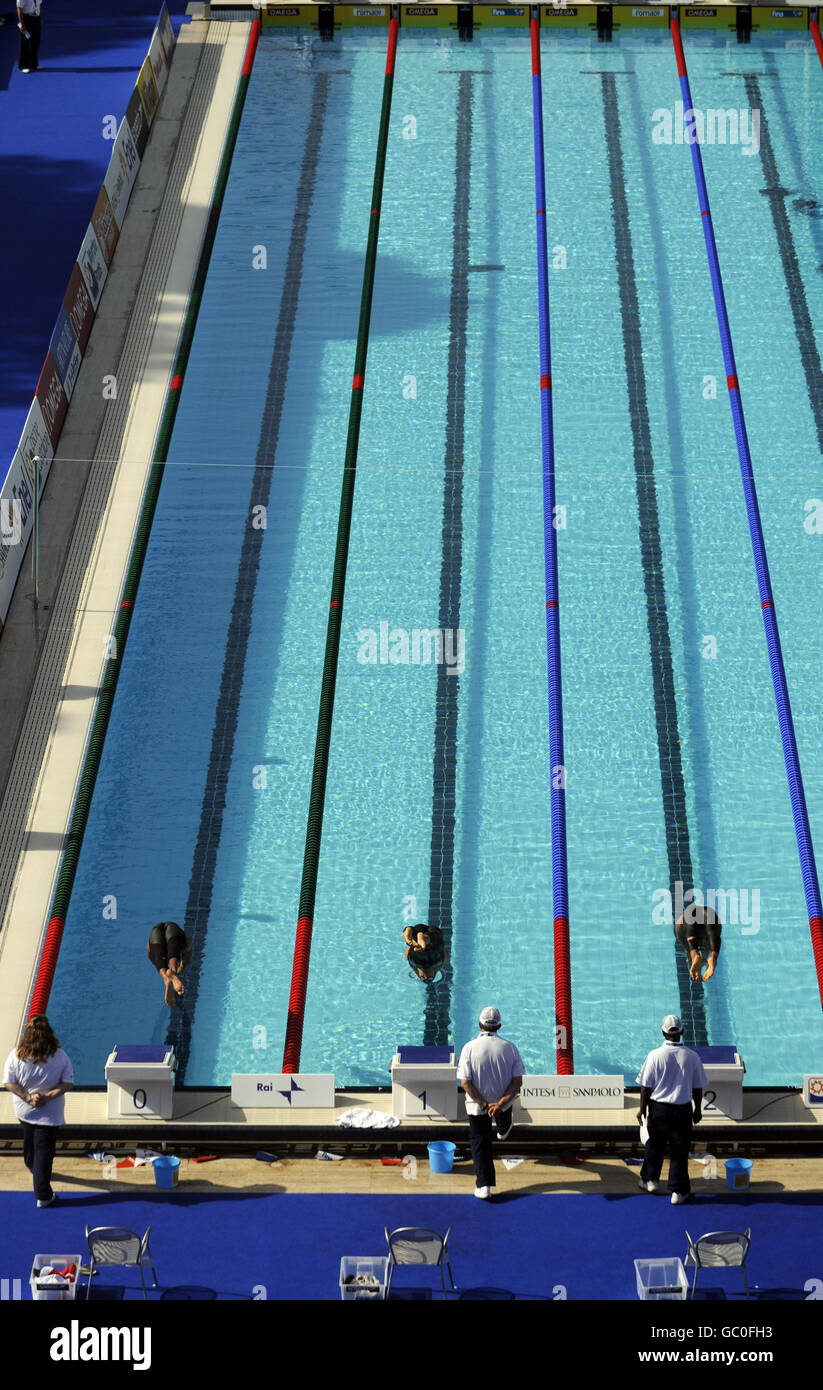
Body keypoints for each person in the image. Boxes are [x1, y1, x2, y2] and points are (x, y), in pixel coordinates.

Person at [636, 1014, 707, 1205]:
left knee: (654, 1146)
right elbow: (697, 1088)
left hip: (658, 1109)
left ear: (663, 1032)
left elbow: (645, 1087)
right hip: (683, 1110)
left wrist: (641, 1110)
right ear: (682, 1032)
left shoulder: (654, 1056)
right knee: (679, 1151)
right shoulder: (692, 1057)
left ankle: (650, 1180)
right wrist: (697, 1110)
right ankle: (678, 1191)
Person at [2, 1015, 73, 1207]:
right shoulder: (59, 1056)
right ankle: (43, 1195)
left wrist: (27, 1097)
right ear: (49, 1034)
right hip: (49, 1113)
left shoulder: (16, 1055)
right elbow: (67, 1082)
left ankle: (33, 1167)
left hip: (25, 1111)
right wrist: (47, 1097)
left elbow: (8, 1082)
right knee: (44, 1150)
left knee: (30, 1141)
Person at [457, 1007, 525, 1200]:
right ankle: (504, 1125)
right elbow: (517, 1082)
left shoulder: (469, 1048)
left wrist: (485, 1105)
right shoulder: (510, 1048)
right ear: (499, 1026)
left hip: (478, 1106)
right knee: (504, 1113)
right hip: (502, 1103)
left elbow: (465, 1082)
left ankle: (484, 1185)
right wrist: (499, 1104)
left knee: (480, 1141)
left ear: (479, 1025)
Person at [147, 920, 192, 1007]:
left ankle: (166, 979)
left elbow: (151, 955)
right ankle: (173, 971)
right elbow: (187, 952)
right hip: (172, 930)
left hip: (154, 936)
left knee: (158, 959)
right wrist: (181, 968)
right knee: (175, 949)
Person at [675, 901, 722, 982]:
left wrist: (692, 953)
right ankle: (710, 957)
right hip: (707, 916)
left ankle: (694, 956)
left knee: (691, 947)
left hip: (687, 924)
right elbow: (714, 937)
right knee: (709, 940)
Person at [17, 0, 43, 74]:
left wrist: (40, 20)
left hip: (36, 18)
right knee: (25, 43)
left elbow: (39, 6)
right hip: (26, 18)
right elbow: (19, 8)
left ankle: (33, 64)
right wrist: (22, 24)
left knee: (36, 42)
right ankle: (23, 65)